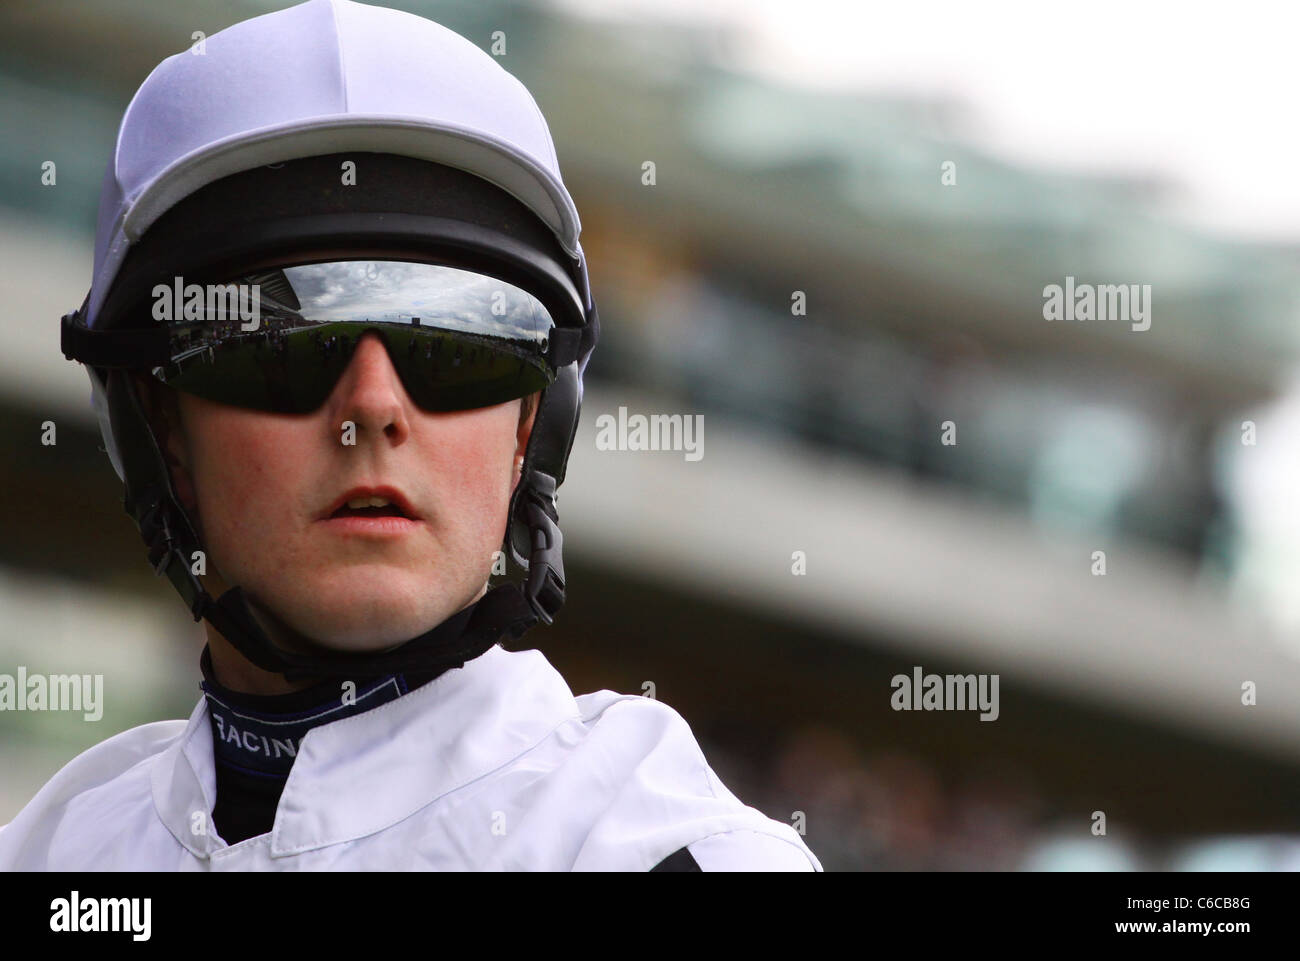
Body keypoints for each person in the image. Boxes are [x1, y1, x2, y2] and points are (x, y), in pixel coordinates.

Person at [0, 0, 822, 872]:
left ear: (530, 431)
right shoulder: (49, 853)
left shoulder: (673, 852)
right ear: (157, 426)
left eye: (459, 344)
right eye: (281, 346)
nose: (373, 405)